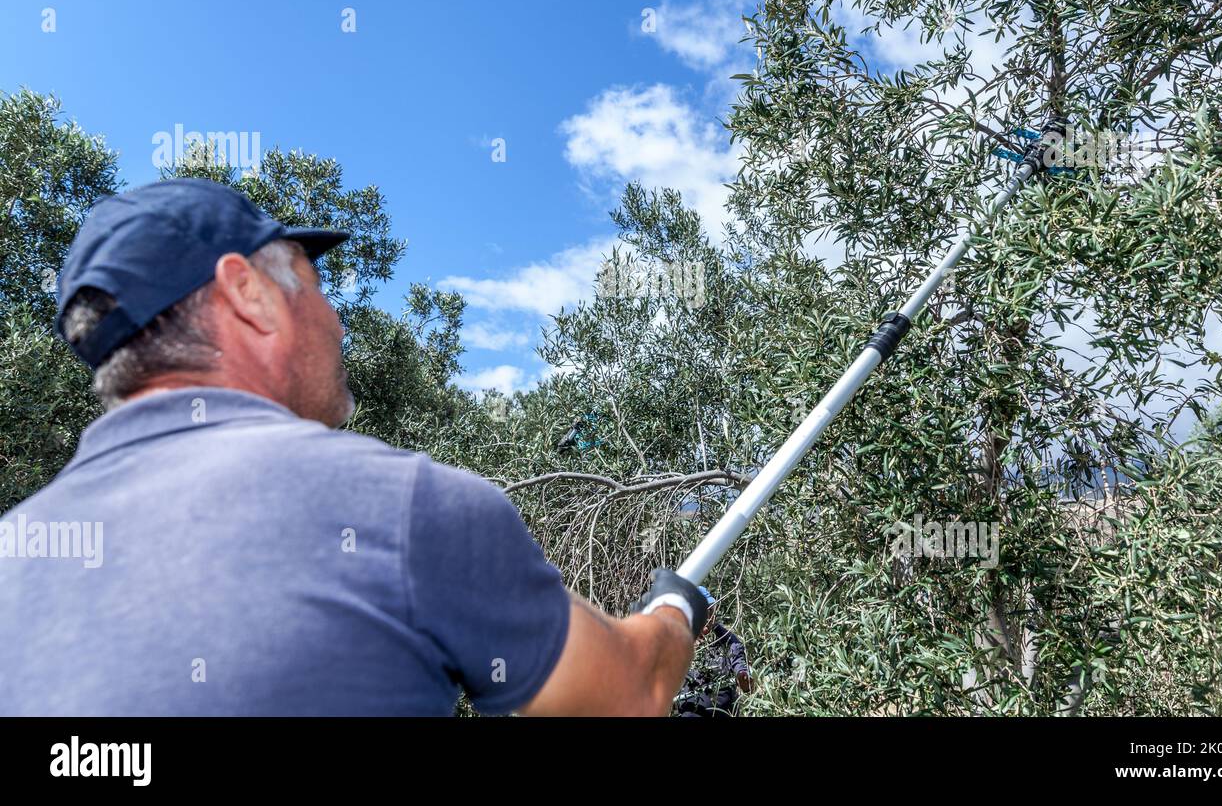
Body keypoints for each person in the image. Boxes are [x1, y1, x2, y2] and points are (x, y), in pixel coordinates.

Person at [0, 178, 709, 716]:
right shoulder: (397, 506)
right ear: (247, 293)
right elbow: (629, 691)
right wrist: (674, 610)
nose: (336, 321)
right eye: (312, 284)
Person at [675, 586, 756, 717]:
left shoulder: (728, 639)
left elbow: (740, 665)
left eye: (709, 611)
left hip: (722, 711)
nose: (706, 618)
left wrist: (744, 678)